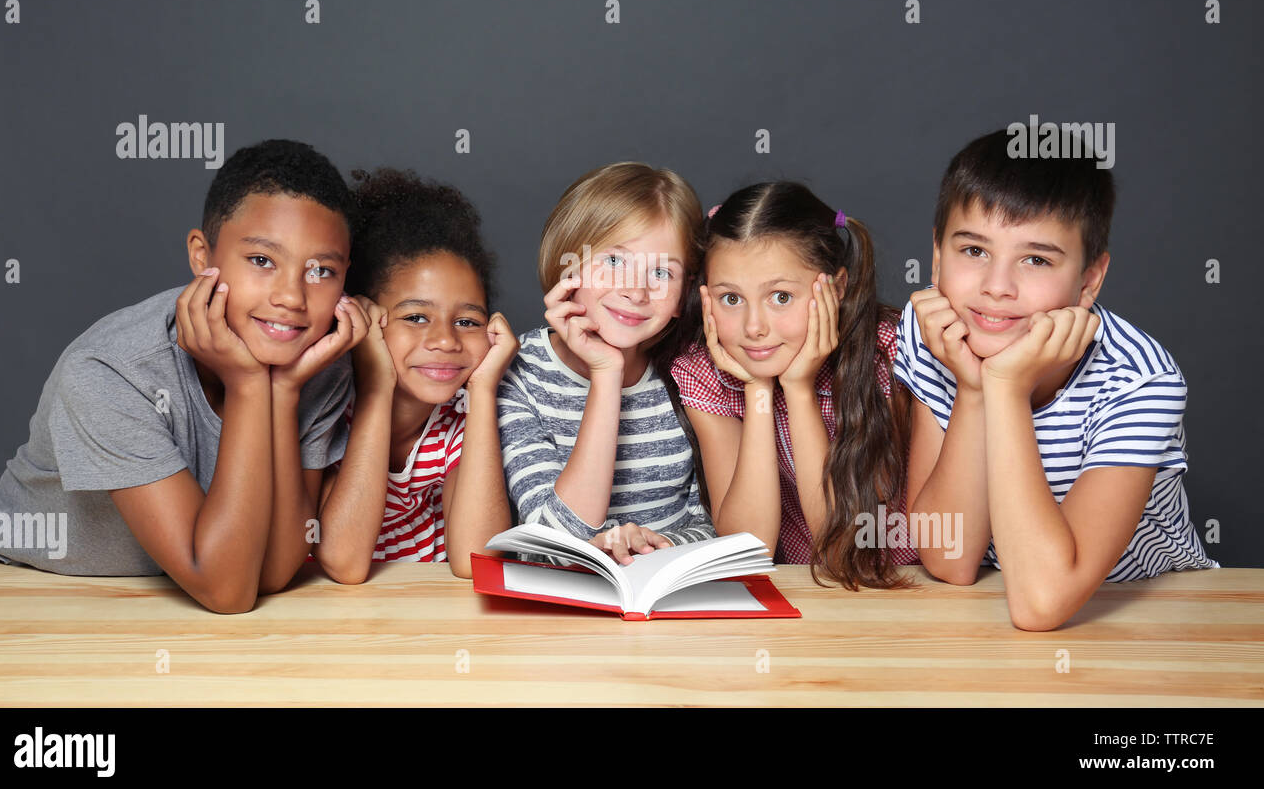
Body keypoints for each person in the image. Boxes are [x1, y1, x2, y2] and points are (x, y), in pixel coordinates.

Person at [0, 140, 366, 613]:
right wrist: (250, 384)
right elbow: (227, 592)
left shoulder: (317, 363)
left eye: (321, 270)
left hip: (153, 606)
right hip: (13, 590)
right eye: (262, 261)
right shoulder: (110, 372)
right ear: (202, 255)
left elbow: (273, 573)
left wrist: (282, 391)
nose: (292, 297)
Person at [895, 129, 1217, 631]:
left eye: (1036, 259)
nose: (996, 288)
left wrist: (1005, 387)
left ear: (1089, 280)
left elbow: (1043, 603)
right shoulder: (936, 331)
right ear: (936, 257)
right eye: (974, 251)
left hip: (1147, 609)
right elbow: (949, 558)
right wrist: (975, 389)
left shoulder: (1140, 381)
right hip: (998, 598)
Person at [671, 182, 917, 589]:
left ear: (836, 290)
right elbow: (746, 549)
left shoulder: (887, 354)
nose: (754, 327)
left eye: (781, 297)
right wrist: (758, 390)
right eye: (731, 299)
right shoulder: (704, 373)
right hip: (800, 590)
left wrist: (799, 389)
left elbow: (846, 546)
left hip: (900, 585)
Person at [497, 162, 715, 565]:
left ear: (685, 292)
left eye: (662, 272)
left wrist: (660, 546)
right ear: (568, 264)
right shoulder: (518, 371)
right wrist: (606, 374)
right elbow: (554, 541)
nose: (635, 291)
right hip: (559, 608)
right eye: (615, 262)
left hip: (671, 601)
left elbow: (718, 524)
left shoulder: (693, 372)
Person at [311, 169, 516, 582]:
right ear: (366, 317)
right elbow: (345, 562)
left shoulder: (459, 419)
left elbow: (478, 561)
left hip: (427, 615)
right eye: (416, 316)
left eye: (467, 321)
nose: (445, 340)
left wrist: (484, 390)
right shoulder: (327, 405)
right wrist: (376, 385)